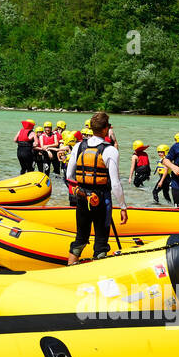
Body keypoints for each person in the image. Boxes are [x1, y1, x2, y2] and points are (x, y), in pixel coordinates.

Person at [64, 111, 127, 265]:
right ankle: (100, 277)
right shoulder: (110, 150)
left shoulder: (79, 146)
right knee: (101, 240)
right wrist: (123, 206)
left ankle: (68, 268)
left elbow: (69, 175)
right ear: (106, 129)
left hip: (82, 197)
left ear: (92, 128)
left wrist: (80, 191)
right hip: (101, 199)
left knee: (80, 237)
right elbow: (115, 183)